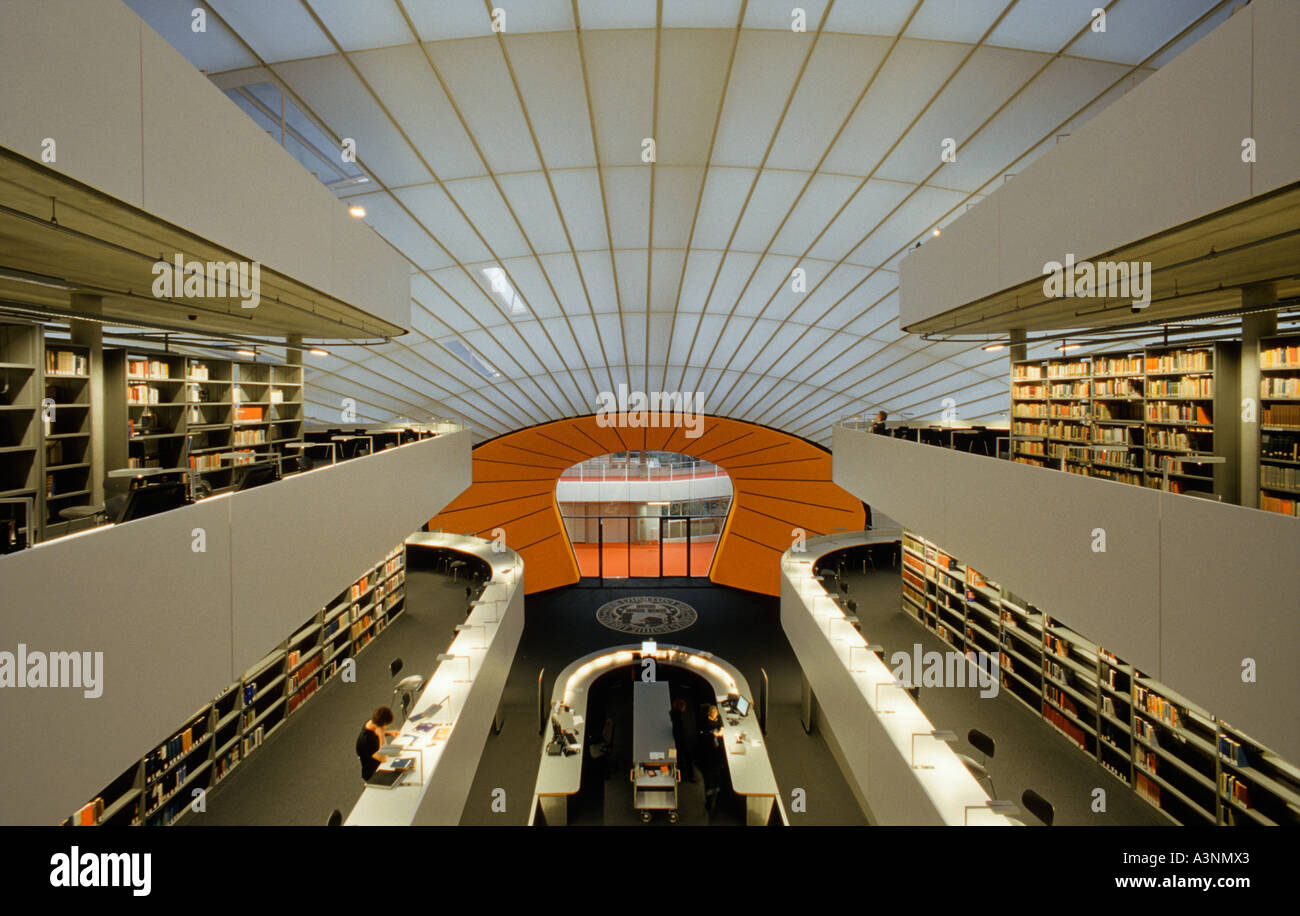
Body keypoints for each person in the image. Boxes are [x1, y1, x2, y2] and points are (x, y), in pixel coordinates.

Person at [356, 706, 399, 780]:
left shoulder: (371, 722)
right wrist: (381, 735)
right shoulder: (366, 741)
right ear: (382, 725)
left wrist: (388, 732)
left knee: (402, 750)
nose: (386, 727)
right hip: (375, 772)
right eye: (386, 726)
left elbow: (375, 734)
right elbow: (383, 758)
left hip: (380, 752)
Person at [698, 705, 726, 810]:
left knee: (717, 775)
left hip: (716, 755)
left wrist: (721, 730)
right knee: (710, 779)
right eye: (715, 717)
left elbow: (721, 724)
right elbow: (709, 738)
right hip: (709, 756)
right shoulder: (706, 727)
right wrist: (715, 735)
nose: (717, 718)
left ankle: (717, 793)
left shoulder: (716, 720)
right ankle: (709, 800)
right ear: (710, 715)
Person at [670, 698, 696, 783]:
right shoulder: (679, 717)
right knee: (687, 758)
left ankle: (681, 775)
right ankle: (690, 777)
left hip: (676, 741)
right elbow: (680, 730)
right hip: (681, 741)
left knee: (678, 758)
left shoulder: (672, 715)